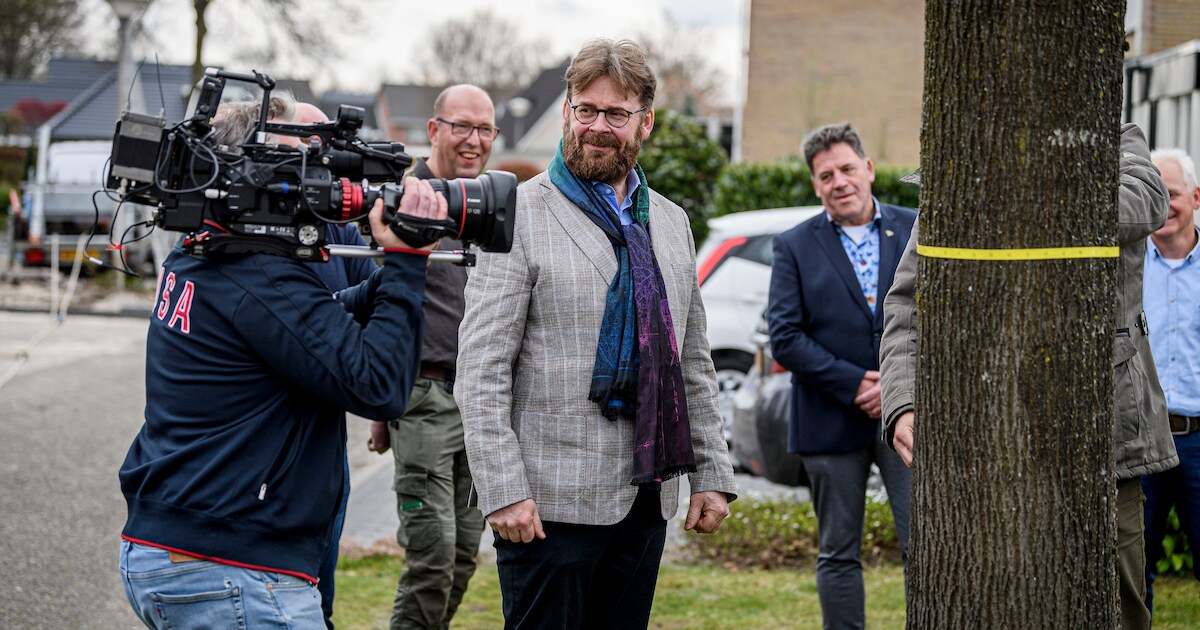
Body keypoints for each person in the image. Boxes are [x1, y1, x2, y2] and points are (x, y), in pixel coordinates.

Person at [454, 38, 738, 628]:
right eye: (586, 109)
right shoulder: (519, 217)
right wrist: (503, 489)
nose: (598, 126)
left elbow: (693, 363)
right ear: (566, 111)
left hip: (644, 499)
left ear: (646, 122)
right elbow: (480, 371)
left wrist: (711, 474)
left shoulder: (669, 222)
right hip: (546, 506)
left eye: (616, 113)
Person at [117, 153, 449, 630]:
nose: (328, 189)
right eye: (309, 171)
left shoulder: (199, 251)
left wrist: (389, 281)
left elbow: (305, 325)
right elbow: (380, 388)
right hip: (233, 567)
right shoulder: (258, 273)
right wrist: (406, 264)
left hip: (177, 546)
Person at [880, 123, 1178, 630]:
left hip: (1101, 441)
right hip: (983, 442)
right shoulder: (963, 156)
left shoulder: (1113, 136)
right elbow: (909, 304)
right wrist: (904, 400)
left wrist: (1020, 197)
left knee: (1117, 609)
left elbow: (1146, 200)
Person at [213, 96, 377, 628]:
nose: (319, 154)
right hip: (262, 485)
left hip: (321, 464)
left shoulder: (338, 230)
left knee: (317, 605)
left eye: (324, 142)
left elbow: (362, 326)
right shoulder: (245, 249)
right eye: (306, 142)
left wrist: (406, 262)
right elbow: (370, 375)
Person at [764, 122, 916, 630]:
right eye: (826, 175)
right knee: (838, 550)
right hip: (829, 418)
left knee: (928, 542)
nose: (839, 182)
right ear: (815, 185)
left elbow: (941, 319)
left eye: (848, 169)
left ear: (869, 169)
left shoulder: (917, 227)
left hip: (911, 417)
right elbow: (785, 336)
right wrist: (857, 385)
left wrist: (897, 390)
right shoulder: (793, 246)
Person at [362, 84, 497, 630]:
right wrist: (381, 404)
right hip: (423, 396)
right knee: (432, 553)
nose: (474, 140)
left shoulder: (491, 209)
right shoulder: (403, 201)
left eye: (485, 128)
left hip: (481, 404)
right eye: (461, 126)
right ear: (434, 130)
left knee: (465, 553)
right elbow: (378, 302)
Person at [1141, 148, 1200, 613]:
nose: (1163, 203)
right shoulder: (1124, 268)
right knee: (1132, 571)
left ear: (1196, 197)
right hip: (1141, 441)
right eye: (1153, 192)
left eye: (1173, 193)